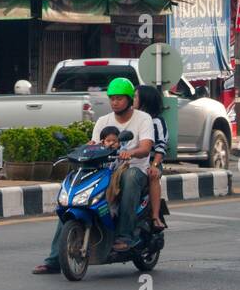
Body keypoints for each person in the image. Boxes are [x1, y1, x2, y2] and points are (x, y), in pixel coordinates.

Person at [32, 77, 153, 274]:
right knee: (71, 203)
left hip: (133, 169)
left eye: (120, 98)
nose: (115, 102)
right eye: (112, 98)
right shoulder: (103, 121)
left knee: (129, 177)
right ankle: (55, 258)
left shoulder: (142, 119)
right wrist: (87, 149)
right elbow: (95, 145)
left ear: (130, 100)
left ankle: (124, 236)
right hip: (104, 170)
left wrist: (130, 153)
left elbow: (146, 147)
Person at [135, 85, 168, 229]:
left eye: (136, 97)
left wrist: (154, 165)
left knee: (153, 177)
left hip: (151, 161)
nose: (132, 99)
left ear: (145, 101)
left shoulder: (157, 122)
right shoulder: (131, 119)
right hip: (134, 160)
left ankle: (155, 216)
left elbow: (161, 146)